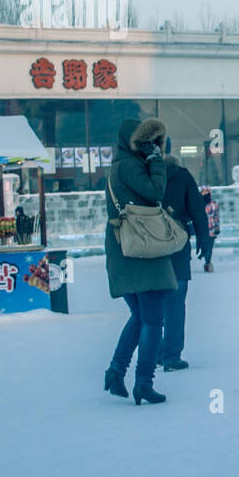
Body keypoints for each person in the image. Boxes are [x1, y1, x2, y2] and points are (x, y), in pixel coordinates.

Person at [103, 118, 176, 405]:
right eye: (148, 142)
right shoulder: (131, 166)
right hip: (143, 249)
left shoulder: (118, 166)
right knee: (153, 320)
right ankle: (144, 382)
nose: (153, 147)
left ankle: (115, 371)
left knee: (140, 316)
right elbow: (155, 192)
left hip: (127, 249)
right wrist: (157, 163)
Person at [158, 150, 211, 371]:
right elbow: (198, 209)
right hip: (177, 243)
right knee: (176, 302)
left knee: (152, 302)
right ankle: (171, 354)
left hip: (148, 247)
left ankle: (154, 351)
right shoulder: (181, 175)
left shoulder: (143, 174)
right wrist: (203, 238)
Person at [200, 186, 220, 271]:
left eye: (206, 192)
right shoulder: (198, 203)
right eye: (203, 192)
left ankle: (208, 262)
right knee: (204, 247)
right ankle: (207, 262)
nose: (205, 193)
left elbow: (216, 216)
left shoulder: (214, 204)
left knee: (210, 247)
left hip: (211, 228)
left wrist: (217, 227)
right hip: (201, 229)